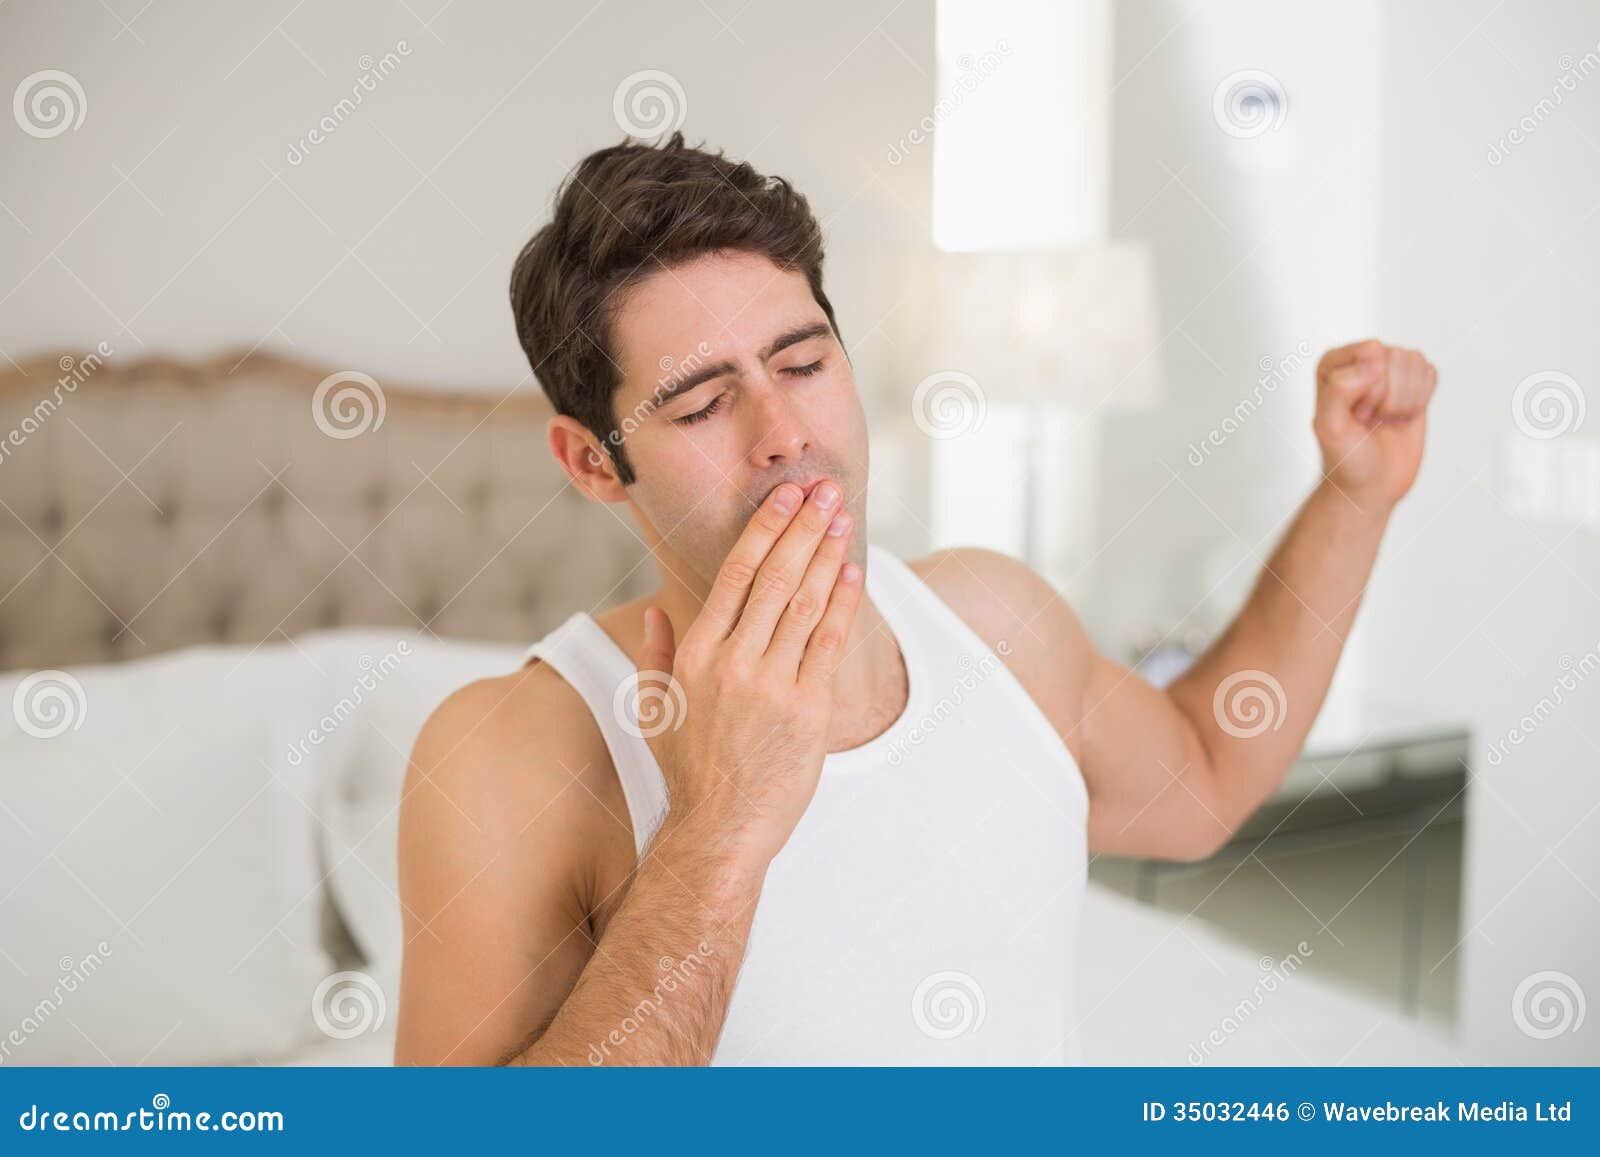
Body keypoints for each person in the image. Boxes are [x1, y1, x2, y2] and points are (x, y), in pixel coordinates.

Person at [393, 132, 1438, 1066]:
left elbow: (1205, 775)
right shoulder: (509, 750)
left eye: (802, 362)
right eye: (704, 402)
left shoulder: (994, 618)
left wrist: (1353, 497)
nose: (782, 432)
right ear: (593, 462)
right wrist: (719, 827)